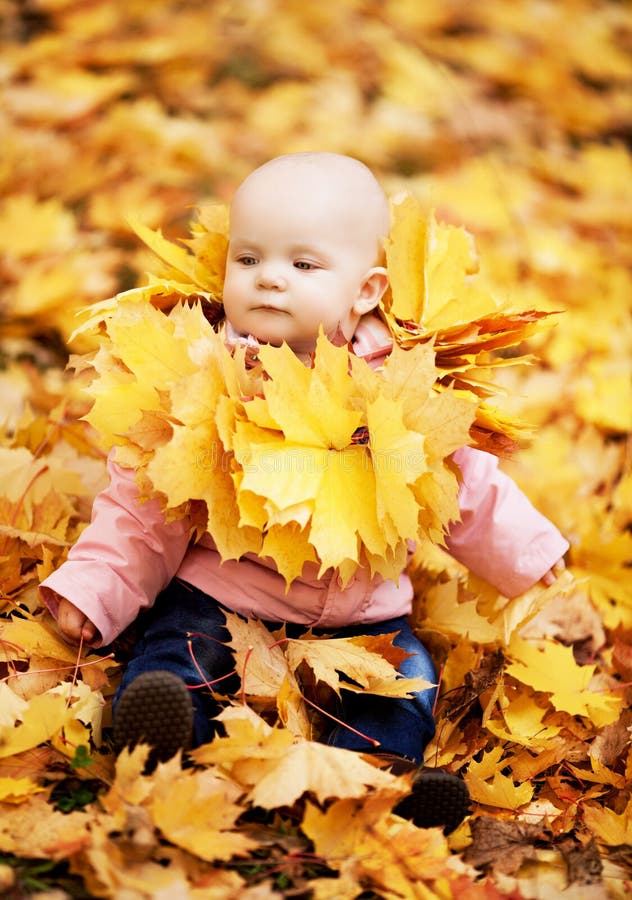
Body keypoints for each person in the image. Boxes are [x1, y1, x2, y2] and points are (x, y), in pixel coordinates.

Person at [39, 152, 568, 834]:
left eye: (304, 265)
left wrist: (527, 553)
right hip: (224, 592)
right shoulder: (202, 381)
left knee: (402, 683)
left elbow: (464, 485)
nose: (270, 281)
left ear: (366, 289)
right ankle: (165, 723)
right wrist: (94, 587)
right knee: (182, 648)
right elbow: (144, 507)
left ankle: (377, 779)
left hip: (365, 611)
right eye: (249, 259)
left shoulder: (401, 390)